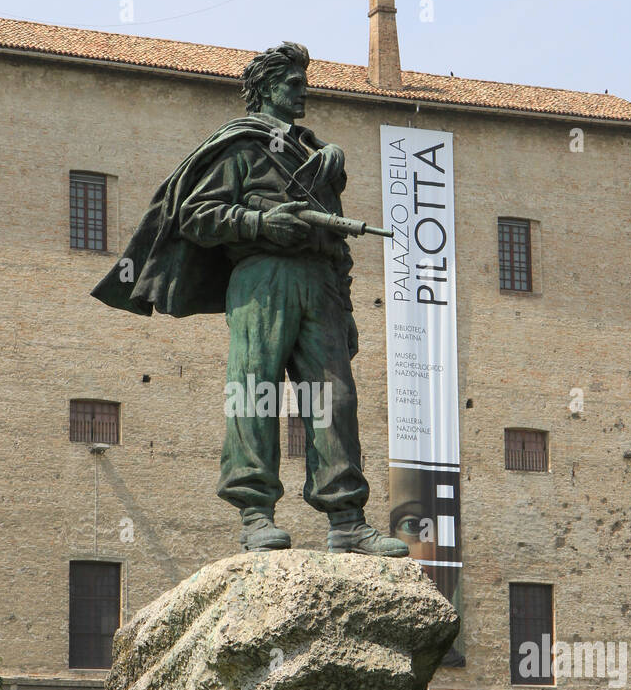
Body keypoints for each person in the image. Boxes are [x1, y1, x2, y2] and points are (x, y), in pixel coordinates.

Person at [92, 41, 408, 558]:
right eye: (293, 83)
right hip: (261, 280)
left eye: (305, 82)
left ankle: (348, 520)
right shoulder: (240, 146)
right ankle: (255, 514)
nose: (303, 90)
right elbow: (196, 216)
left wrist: (347, 311)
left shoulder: (317, 159)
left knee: (336, 400)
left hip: (320, 284)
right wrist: (261, 223)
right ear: (265, 88)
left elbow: (339, 245)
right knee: (254, 392)